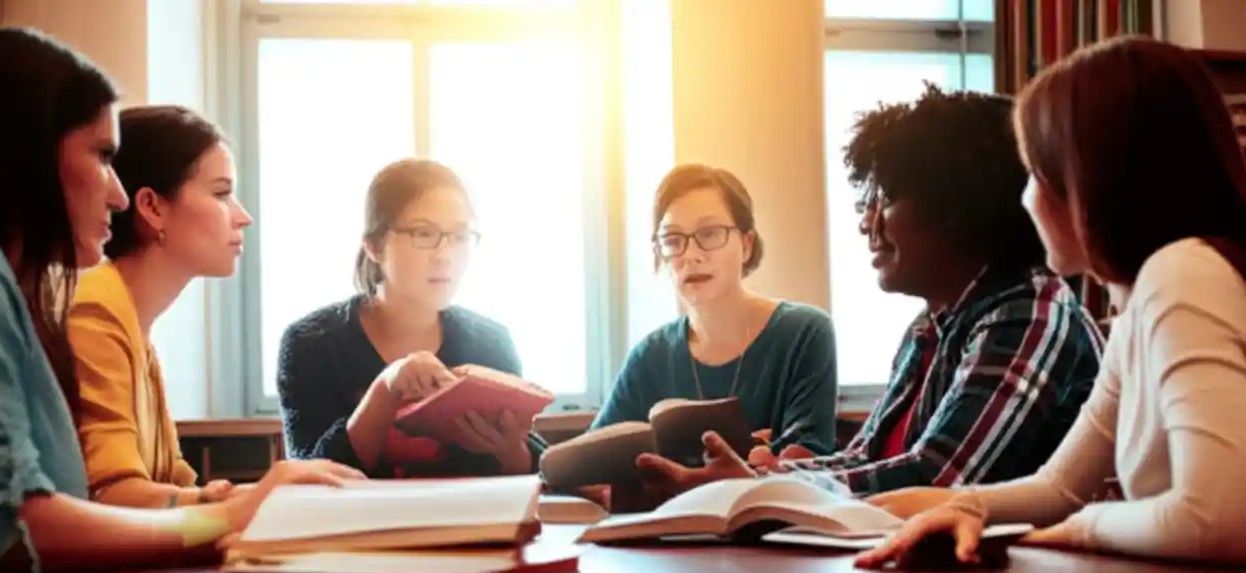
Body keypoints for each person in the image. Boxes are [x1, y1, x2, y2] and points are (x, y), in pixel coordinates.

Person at [0, 28, 358, 573]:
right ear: (28, 153)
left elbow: (169, 483)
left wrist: (242, 502)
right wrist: (225, 515)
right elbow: (5, 527)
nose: (118, 195)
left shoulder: (102, 316)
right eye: (102, 157)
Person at [857, 36, 1246, 568]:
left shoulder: (1182, 274)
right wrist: (964, 508)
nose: (1025, 200)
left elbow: (1216, 516)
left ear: (1095, 181)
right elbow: (1060, 486)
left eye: (1038, 174)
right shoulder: (1139, 306)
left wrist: (1076, 531)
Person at [633, 87, 1103, 505]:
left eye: (883, 200)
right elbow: (863, 456)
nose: (866, 222)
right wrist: (761, 474)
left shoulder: (1028, 312)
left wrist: (757, 489)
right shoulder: (930, 325)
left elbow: (939, 479)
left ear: (956, 205)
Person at [278, 159, 546, 478]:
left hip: (468, 526)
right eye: (424, 233)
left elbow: (536, 471)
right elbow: (307, 480)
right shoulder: (313, 343)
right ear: (375, 245)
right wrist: (386, 388)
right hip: (361, 526)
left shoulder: (491, 342)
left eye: (460, 236)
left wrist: (509, 451)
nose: (445, 255)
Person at [67, 105, 251, 508]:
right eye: (221, 193)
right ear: (152, 207)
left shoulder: (136, 323)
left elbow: (176, 483)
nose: (243, 217)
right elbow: (115, 493)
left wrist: (280, 495)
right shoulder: (96, 305)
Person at [593, 164, 839, 456]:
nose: (691, 256)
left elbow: (809, 458)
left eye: (709, 234)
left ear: (747, 245)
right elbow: (590, 455)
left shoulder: (804, 333)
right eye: (673, 240)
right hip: (673, 504)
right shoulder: (650, 356)